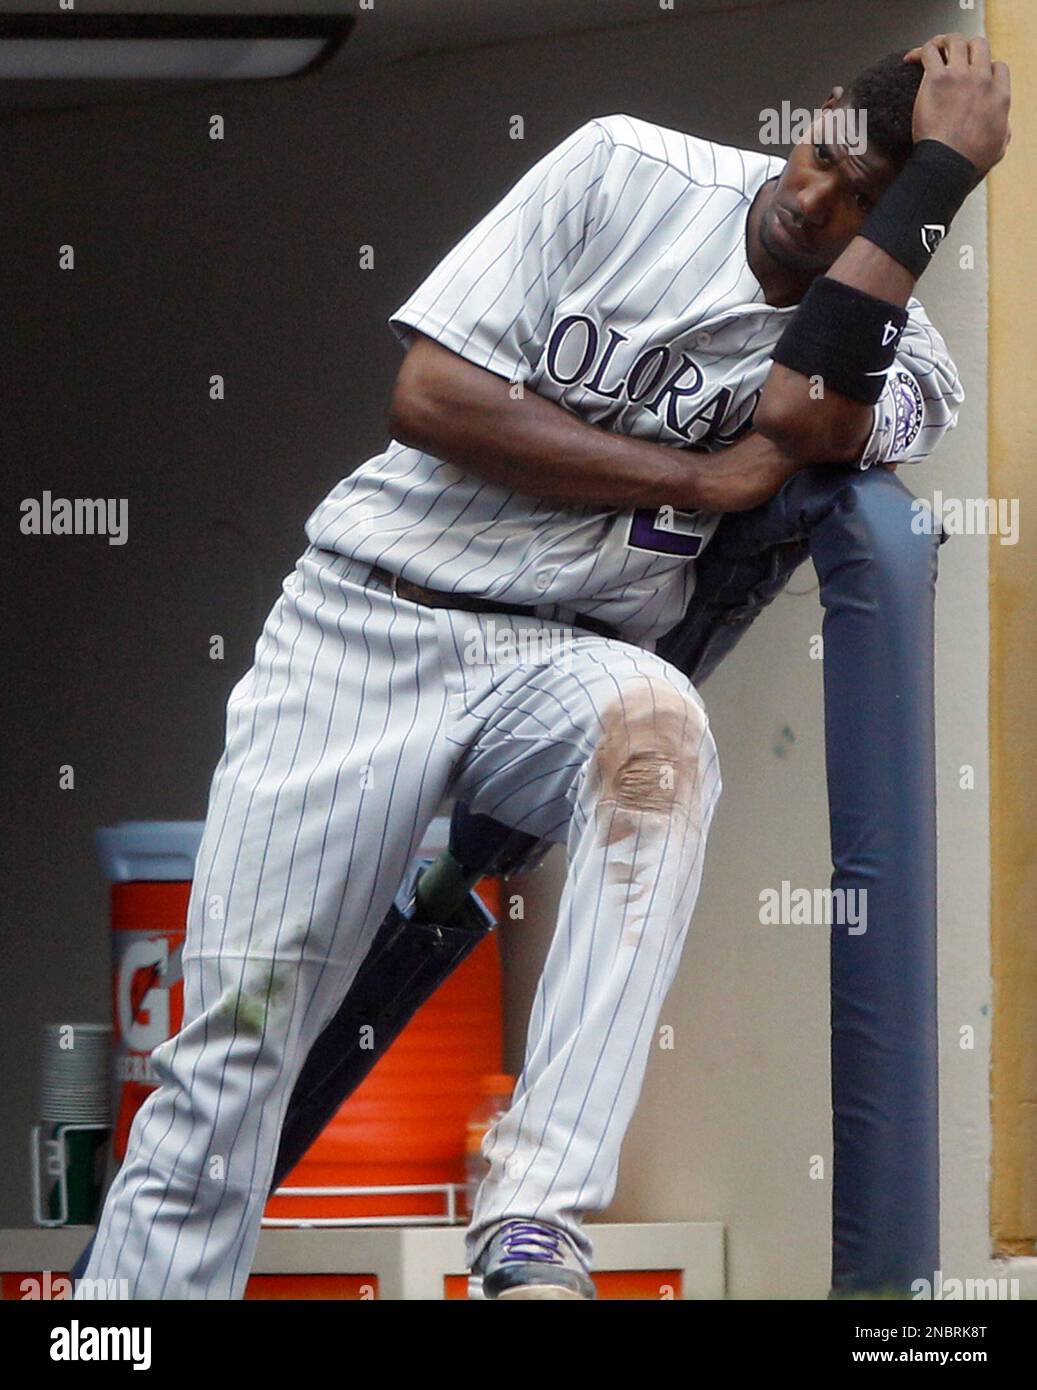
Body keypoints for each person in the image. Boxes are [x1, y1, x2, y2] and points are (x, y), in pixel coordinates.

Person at [78, 34, 1009, 1300]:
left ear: (909, 230)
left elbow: (799, 418)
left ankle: (534, 1212)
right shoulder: (622, 168)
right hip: (362, 623)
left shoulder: (912, 361)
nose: (809, 198)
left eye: (863, 202)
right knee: (226, 1066)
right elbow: (433, 397)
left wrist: (942, 171)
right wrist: (694, 477)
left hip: (555, 657)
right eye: (816, 154)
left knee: (655, 735)